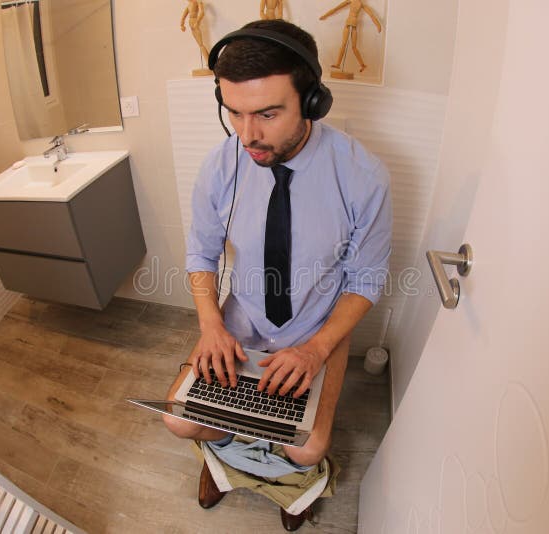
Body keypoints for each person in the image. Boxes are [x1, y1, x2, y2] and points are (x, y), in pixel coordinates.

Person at [162, 19, 391, 531]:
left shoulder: (363, 176)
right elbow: (201, 255)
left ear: (312, 101)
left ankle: (291, 483)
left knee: (307, 448)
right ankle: (222, 461)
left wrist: (315, 350)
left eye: (267, 113)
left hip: (316, 329)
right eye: (235, 113)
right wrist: (211, 327)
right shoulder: (222, 165)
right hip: (241, 320)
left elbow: (366, 280)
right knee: (179, 421)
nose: (249, 135)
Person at [319, 0, 382, 73]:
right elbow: (336, 8)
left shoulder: (362, 5)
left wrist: (378, 25)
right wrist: (325, 15)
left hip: (354, 26)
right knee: (343, 45)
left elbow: (372, 15)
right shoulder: (350, 1)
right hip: (348, 25)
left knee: (354, 47)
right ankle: (338, 64)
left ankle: (362, 65)